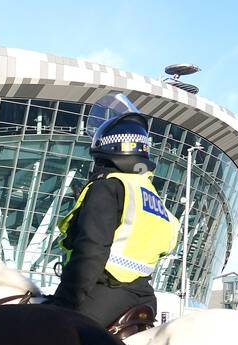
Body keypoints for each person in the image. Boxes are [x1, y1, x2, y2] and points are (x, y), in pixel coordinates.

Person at [51, 94, 180, 324]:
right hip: (145, 297)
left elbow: (91, 251)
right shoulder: (152, 196)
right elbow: (168, 246)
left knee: (47, 338)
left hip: (106, 293)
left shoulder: (108, 186)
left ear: (105, 148)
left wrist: (63, 302)